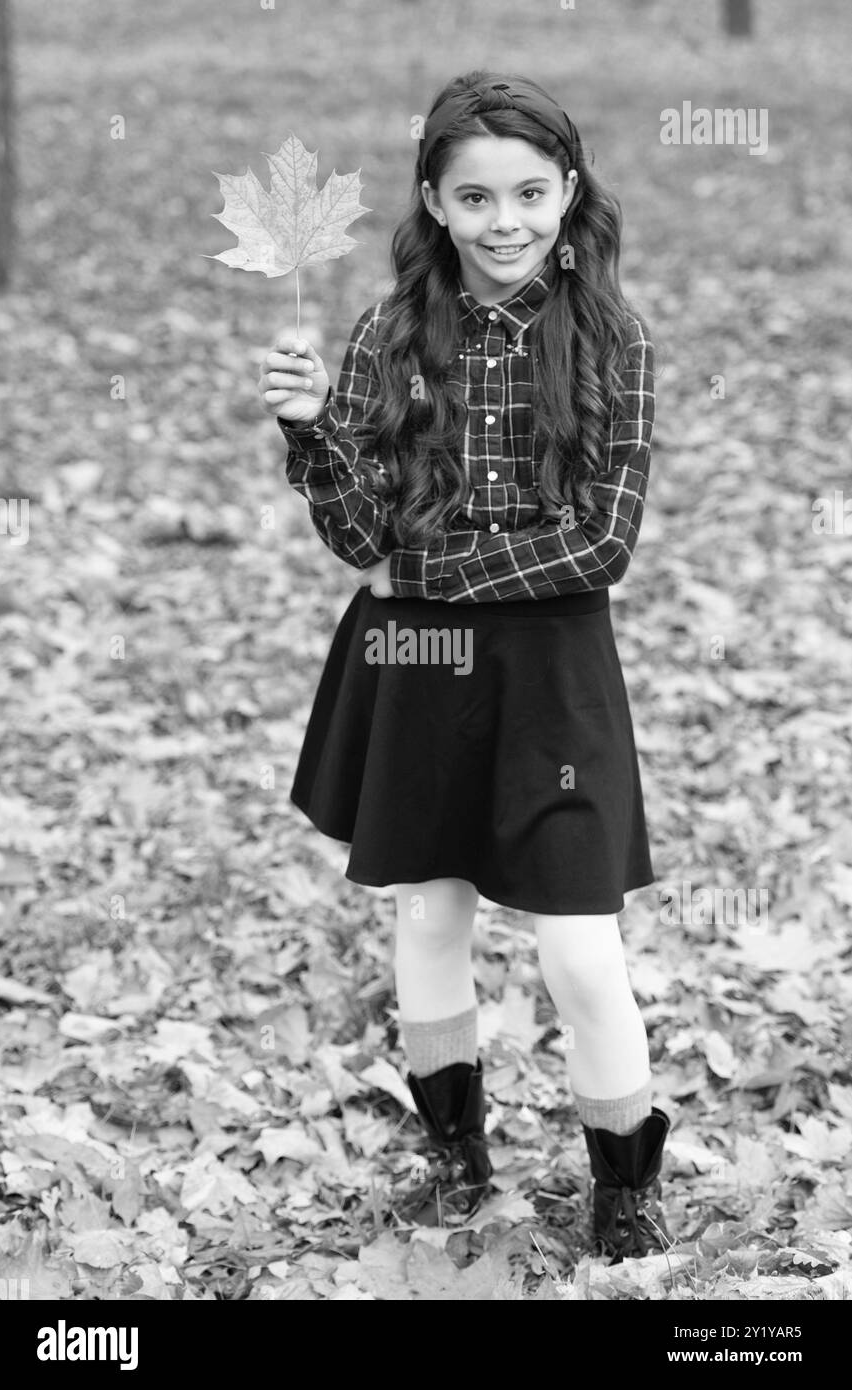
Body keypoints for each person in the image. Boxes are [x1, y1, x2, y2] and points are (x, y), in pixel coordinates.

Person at [258, 69, 670, 1261]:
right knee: (428, 910)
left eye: (529, 193)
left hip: (552, 674)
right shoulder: (389, 335)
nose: (505, 221)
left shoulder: (611, 339)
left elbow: (602, 541)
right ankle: (454, 1149)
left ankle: (624, 1184)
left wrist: (429, 575)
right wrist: (312, 436)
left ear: (568, 192)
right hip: (416, 665)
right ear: (433, 203)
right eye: (474, 196)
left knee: (578, 948)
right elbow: (362, 544)